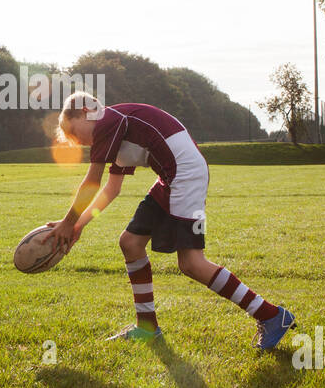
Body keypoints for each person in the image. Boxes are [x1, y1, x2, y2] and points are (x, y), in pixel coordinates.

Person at [50, 92, 295, 351]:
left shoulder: (108, 120)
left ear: (87, 113)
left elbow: (92, 182)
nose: (80, 143)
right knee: (130, 243)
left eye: (75, 133)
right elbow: (112, 189)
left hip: (185, 175)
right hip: (172, 177)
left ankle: (270, 315)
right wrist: (78, 226)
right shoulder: (114, 128)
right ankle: (147, 327)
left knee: (191, 263)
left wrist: (68, 222)